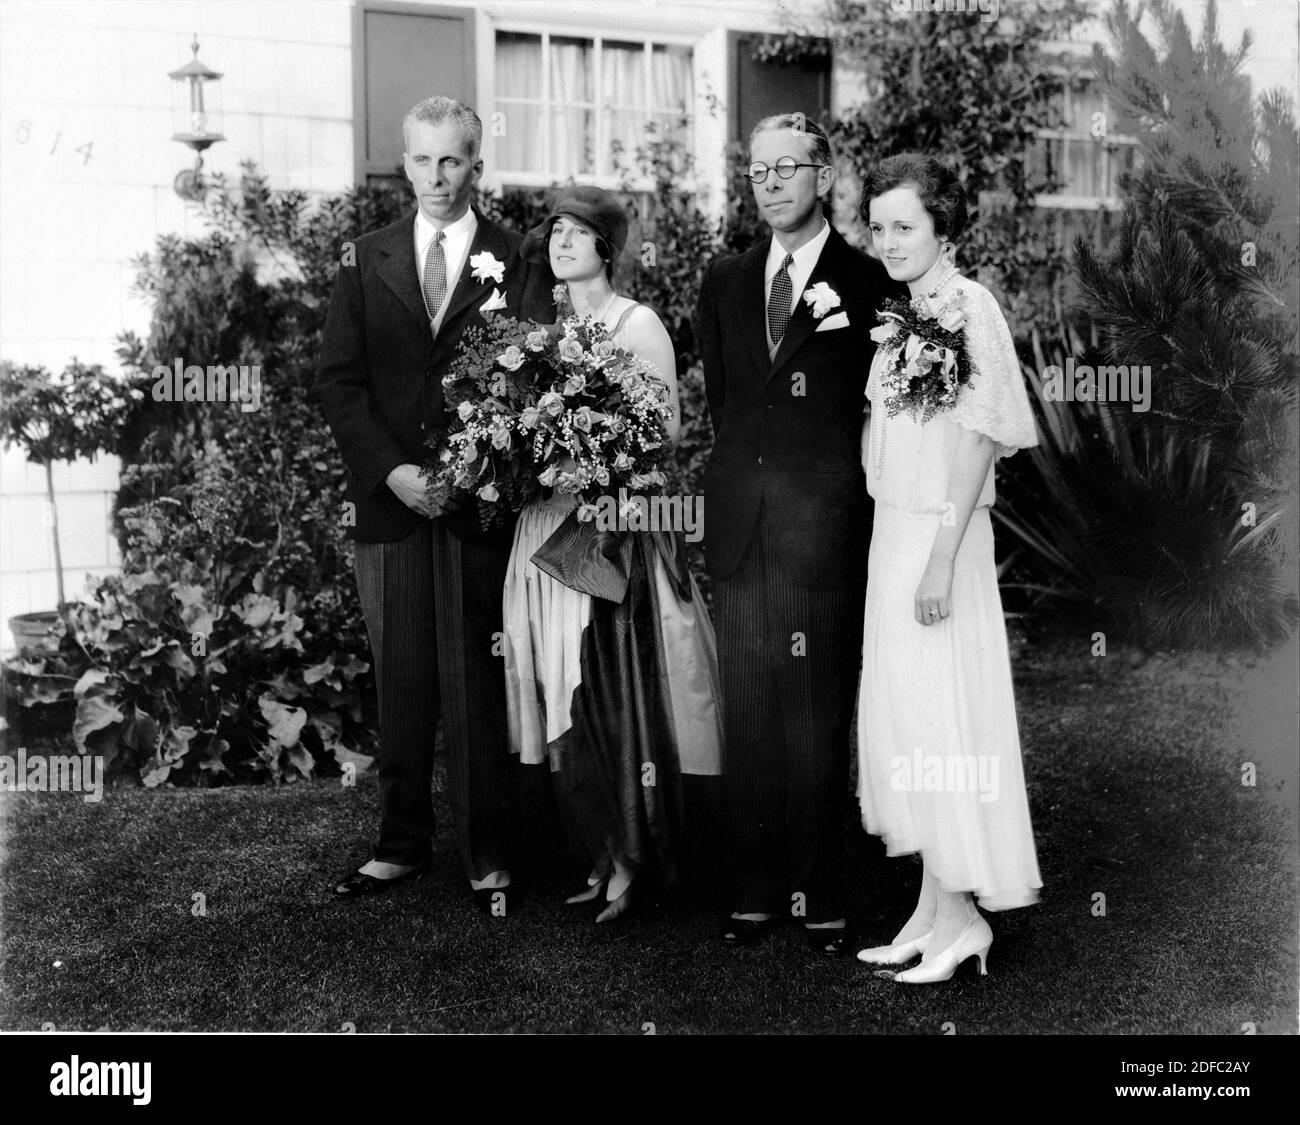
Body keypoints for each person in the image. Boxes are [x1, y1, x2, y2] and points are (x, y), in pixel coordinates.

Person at [316, 96, 553, 913]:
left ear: (475, 165)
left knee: (476, 681)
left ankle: (488, 853)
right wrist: (393, 473)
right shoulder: (365, 257)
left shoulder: (518, 256)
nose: (436, 177)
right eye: (421, 159)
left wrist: (467, 468)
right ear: (403, 162)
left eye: (451, 160)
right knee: (404, 683)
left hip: (476, 506)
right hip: (391, 509)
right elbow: (337, 383)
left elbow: (532, 375)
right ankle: (399, 844)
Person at [695, 115, 900, 956]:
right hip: (742, 526)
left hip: (824, 531)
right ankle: (754, 884)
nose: (772, 183)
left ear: (825, 176)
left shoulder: (868, 279)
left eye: (789, 167)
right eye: (758, 171)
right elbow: (722, 403)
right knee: (748, 712)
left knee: (816, 718)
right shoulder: (724, 279)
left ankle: (821, 887)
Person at [502, 185, 724, 924]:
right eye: (556, 231)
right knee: (558, 684)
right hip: (544, 527)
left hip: (608, 534)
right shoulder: (544, 329)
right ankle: (599, 850)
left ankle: (636, 853)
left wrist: (591, 457)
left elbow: (661, 430)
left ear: (608, 247)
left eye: (580, 233)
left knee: (605, 688)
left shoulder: (638, 323)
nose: (563, 243)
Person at [854, 152, 1042, 983]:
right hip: (893, 535)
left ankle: (965, 916)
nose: (888, 240)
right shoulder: (906, 312)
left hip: (941, 541)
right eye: (881, 226)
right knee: (907, 715)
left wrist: (937, 561)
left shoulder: (969, 307)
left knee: (940, 718)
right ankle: (932, 914)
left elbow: (976, 439)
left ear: (943, 230)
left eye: (906, 226)